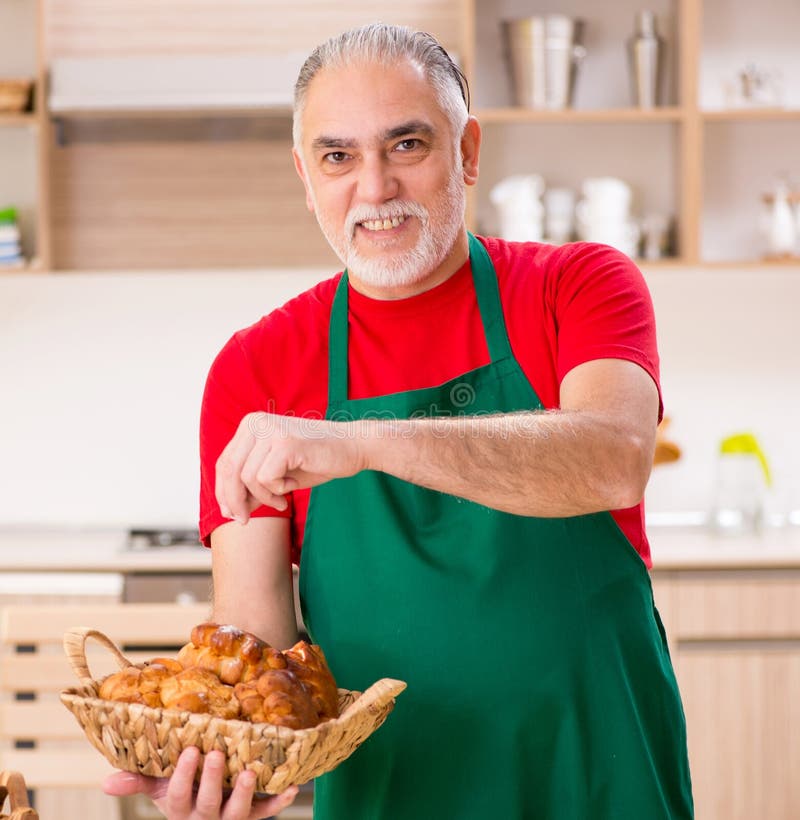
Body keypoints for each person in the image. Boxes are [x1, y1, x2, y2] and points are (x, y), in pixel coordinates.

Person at [104, 22, 694, 820]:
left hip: (602, 773)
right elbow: (261, 660)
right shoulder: (258, 368)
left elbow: (613, 456)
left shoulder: (579, 286)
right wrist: (234, 768)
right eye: (338, 156)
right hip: (395, 792)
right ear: (305, 177)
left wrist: (357, 442)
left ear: (468, 151)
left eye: (407, 145)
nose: (374, 188)